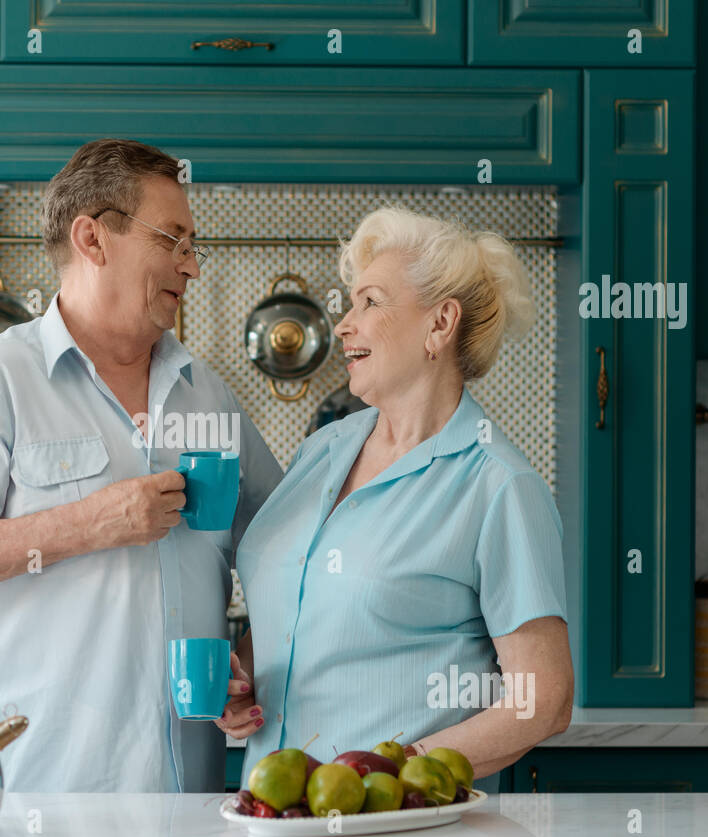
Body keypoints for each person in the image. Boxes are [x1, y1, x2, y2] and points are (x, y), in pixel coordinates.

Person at [0, 139, 283, 793]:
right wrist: (90, 522)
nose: (194, 265)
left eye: (192, 243)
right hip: (46, 789)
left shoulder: (208, 394)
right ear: (93, 239)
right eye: (173, 240)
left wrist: (250, 658)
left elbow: (290, 549)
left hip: (191, 799)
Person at [220, 206, 573, 795]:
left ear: (440, 323)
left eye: (370, 302)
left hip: (405, 829)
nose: (343, 326)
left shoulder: (498, 487)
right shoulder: (321, 452)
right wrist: (247, 677)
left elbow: (545, 700)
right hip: (275, 817)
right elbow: (301, 602)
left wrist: (392, 767)